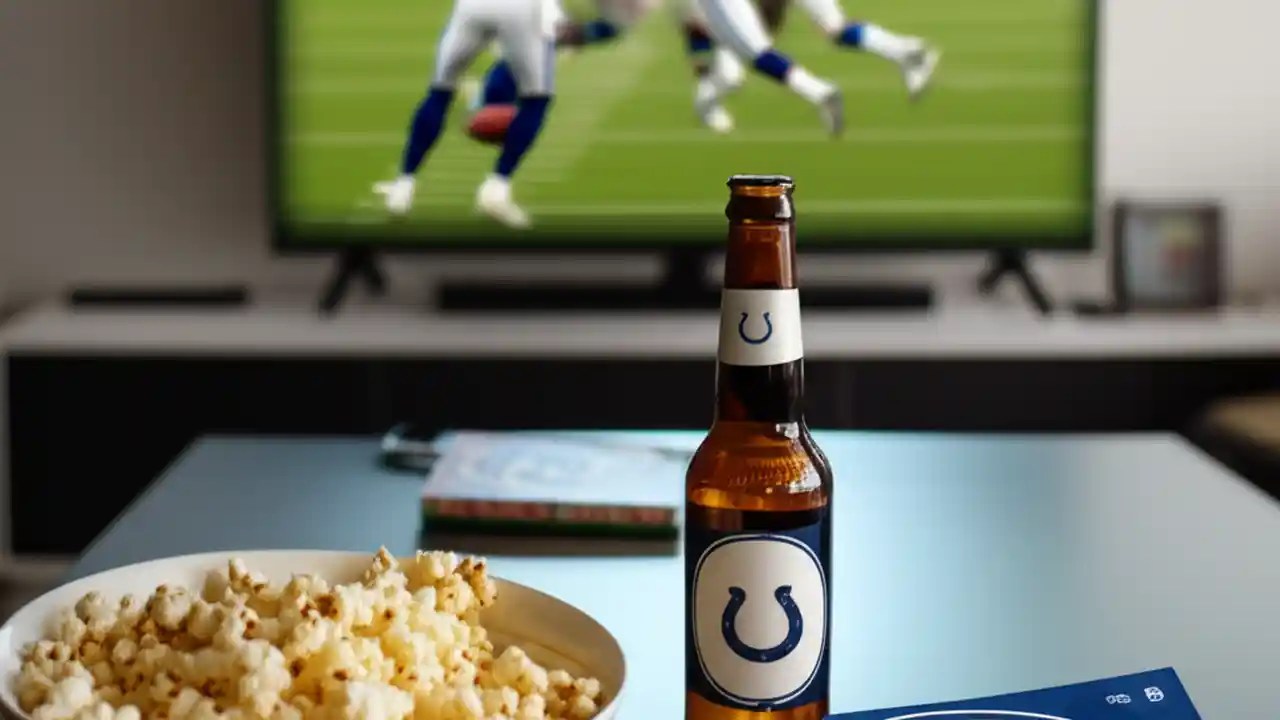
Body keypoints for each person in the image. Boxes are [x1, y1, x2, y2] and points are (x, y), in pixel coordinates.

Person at [374, 0, 563, 228]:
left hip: (473, 7)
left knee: (440, 91)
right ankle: (497, 187)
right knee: (536, 99)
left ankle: (403, 187)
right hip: (524, 8)